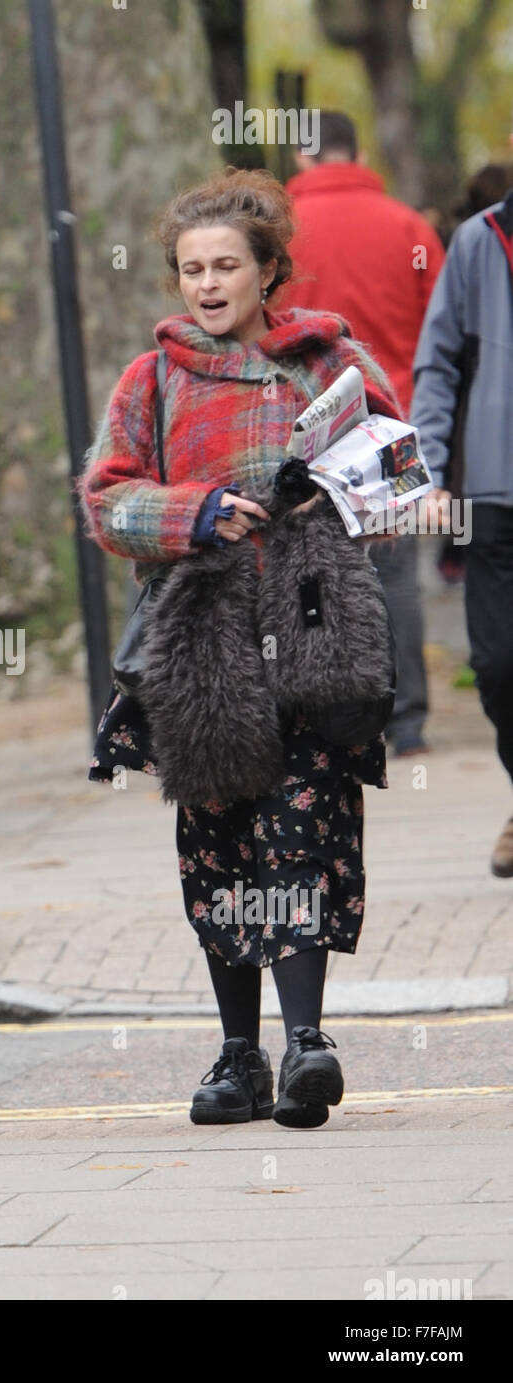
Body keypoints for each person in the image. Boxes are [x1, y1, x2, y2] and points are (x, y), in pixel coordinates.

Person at [80, 168, 402, 1129]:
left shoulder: (331, 363)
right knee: (217, 844)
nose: (207, 284)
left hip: (313, 632)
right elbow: (106, 502)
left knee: (303, 828)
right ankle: (238, 1057)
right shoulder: (152, 380)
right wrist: (198, 511)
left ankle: (307, 1045)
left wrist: (341, 500)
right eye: (191, 269)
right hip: (201, 649)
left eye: (227, 266)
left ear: (270, 272)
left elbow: (398, 474)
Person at [278, 111, 446, 758]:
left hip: (304, 427)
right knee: (395, 573)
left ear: (301, 153)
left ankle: (332, 713)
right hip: (394, 419)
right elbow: (444, 331)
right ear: (358, 151)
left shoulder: (279, 232)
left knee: (308, 572)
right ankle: (408, 720)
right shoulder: (409, 227)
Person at [411, 120, 513, 878]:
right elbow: (439, 362)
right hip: (493, 490)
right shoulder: (480, 242)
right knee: (500, 662)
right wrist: (430, 469)